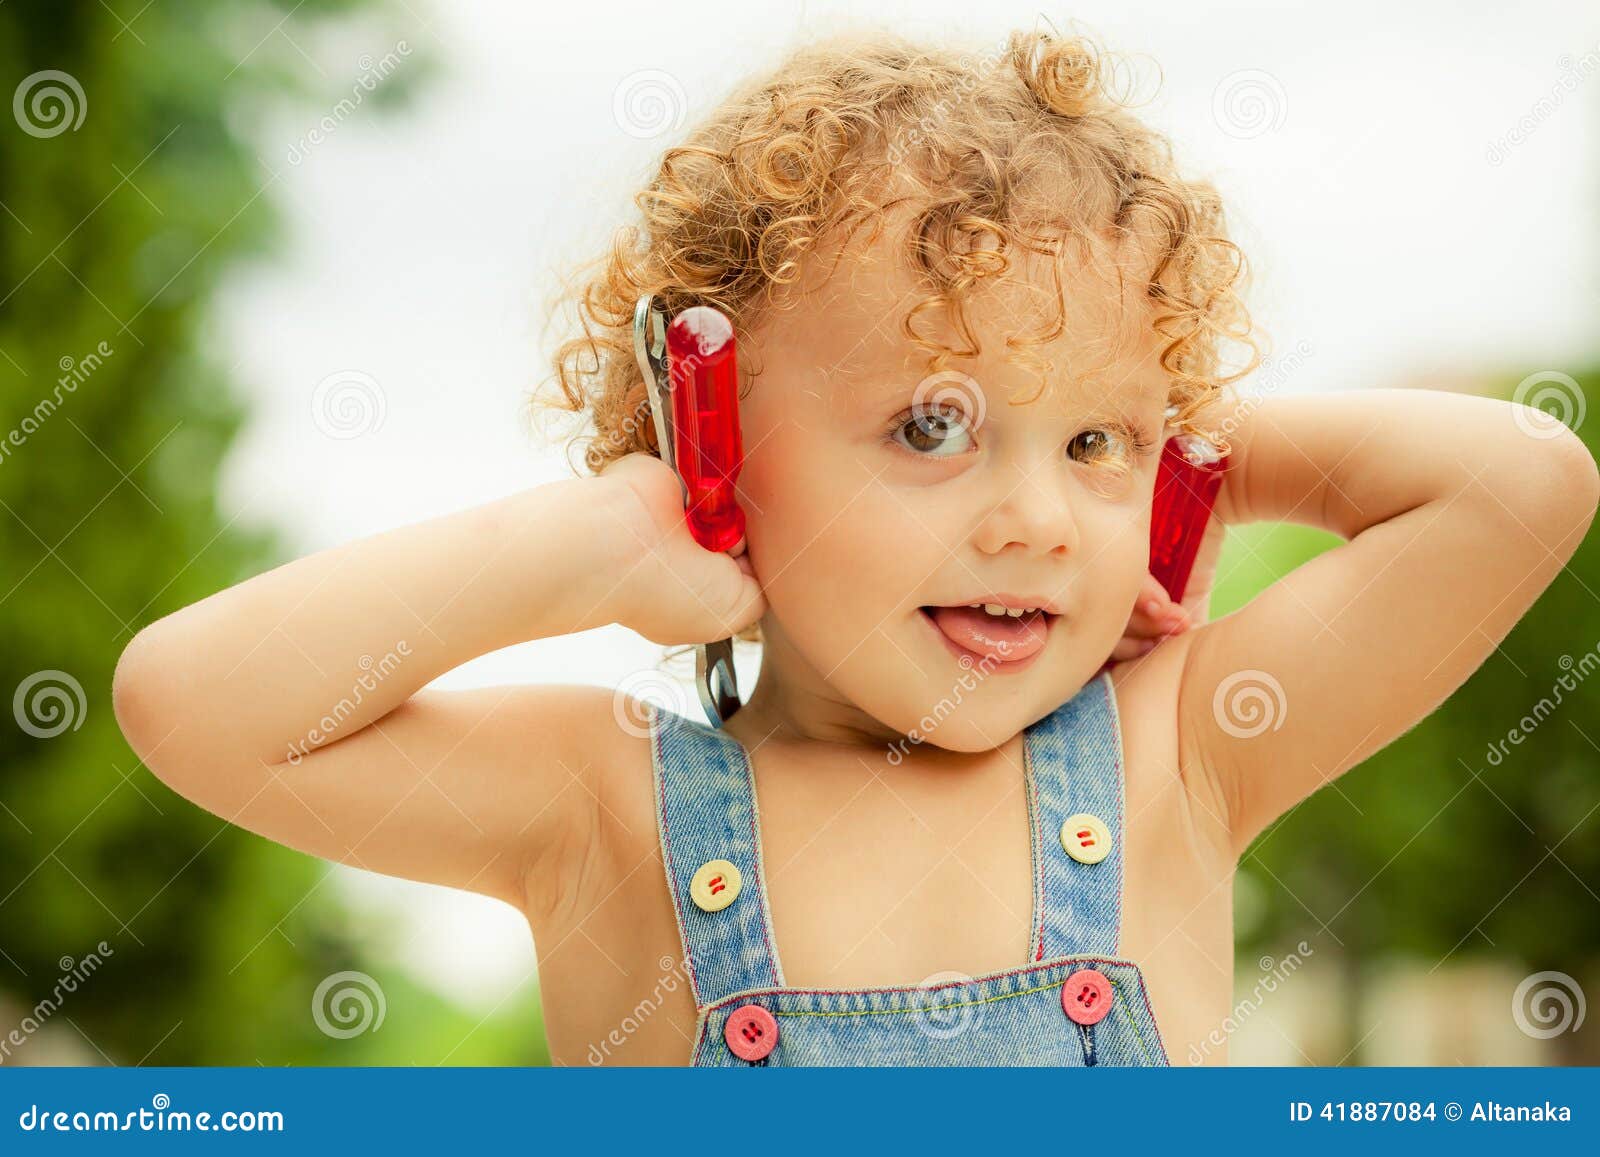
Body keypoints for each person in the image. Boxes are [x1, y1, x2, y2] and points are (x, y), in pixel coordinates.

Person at [112, 25, 1599, 1066]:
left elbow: (1522, 483)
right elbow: (193, 701)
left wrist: (1185, 456)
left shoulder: (1178, 753)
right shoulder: (603, 809)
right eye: (933, 428)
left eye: (1089, 445)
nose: (1029, 518)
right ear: (714, 447)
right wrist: (604, 535)